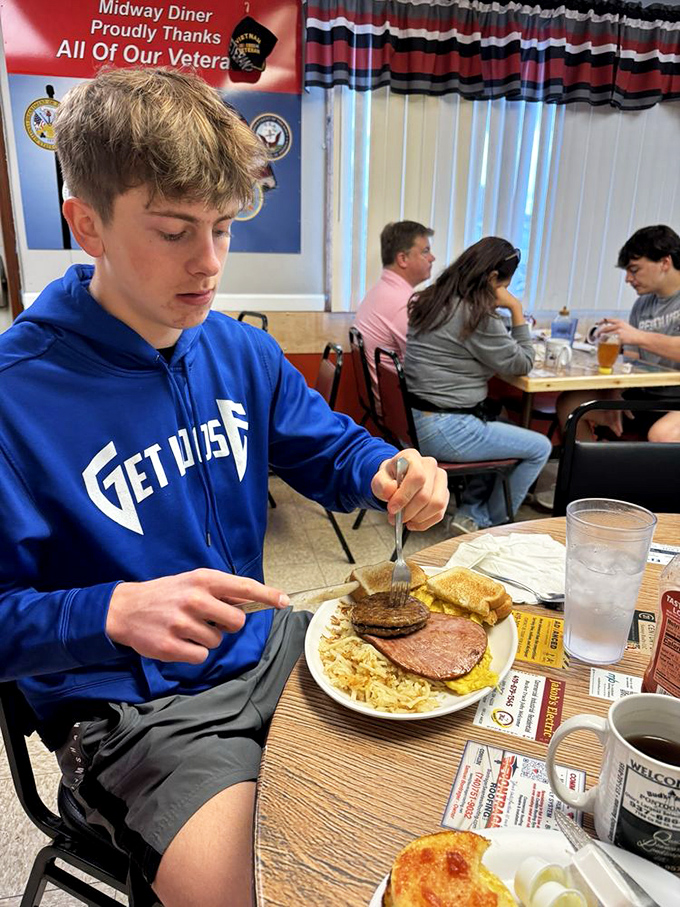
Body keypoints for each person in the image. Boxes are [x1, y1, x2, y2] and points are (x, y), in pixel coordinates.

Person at [0, 68, 449, 907]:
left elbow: (331, 450)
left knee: (431, 775)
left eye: (223, 228)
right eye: (173, 231)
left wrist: (387, 469)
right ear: (85, 223)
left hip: (264, 639)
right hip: (132, 707)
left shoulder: (238, 351)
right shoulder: (14, 397)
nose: (208, 264)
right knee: (267, 891)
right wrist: (106, 612)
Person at [404, 236, 552, 534]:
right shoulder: (476, 314)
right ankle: (488, 522)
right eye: (505, 287)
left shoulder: (432, 299)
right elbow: (522, 362)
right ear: (493, 278)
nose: (505, 293)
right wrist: (517, 311)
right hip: (446, 428)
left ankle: (470, 511)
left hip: (416, 421)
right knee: (540, 447)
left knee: (497, 416)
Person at [555, 225, 680, 445]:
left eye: (634, 269)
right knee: (571, 404)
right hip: (646, 397)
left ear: (665, 263)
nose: (628, 279)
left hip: (675, 402)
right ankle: (590, 477)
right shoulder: (642, 304)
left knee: (662, 435)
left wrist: (636, 336)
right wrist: (614, 391)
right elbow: (631, 361)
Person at [353, 220, 435, 406]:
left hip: (389, 409)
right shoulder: (404, 304)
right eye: (425, 251)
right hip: (404, 413)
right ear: (402, 259)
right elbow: (429, 366)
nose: (432, 258)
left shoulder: (379, 292)